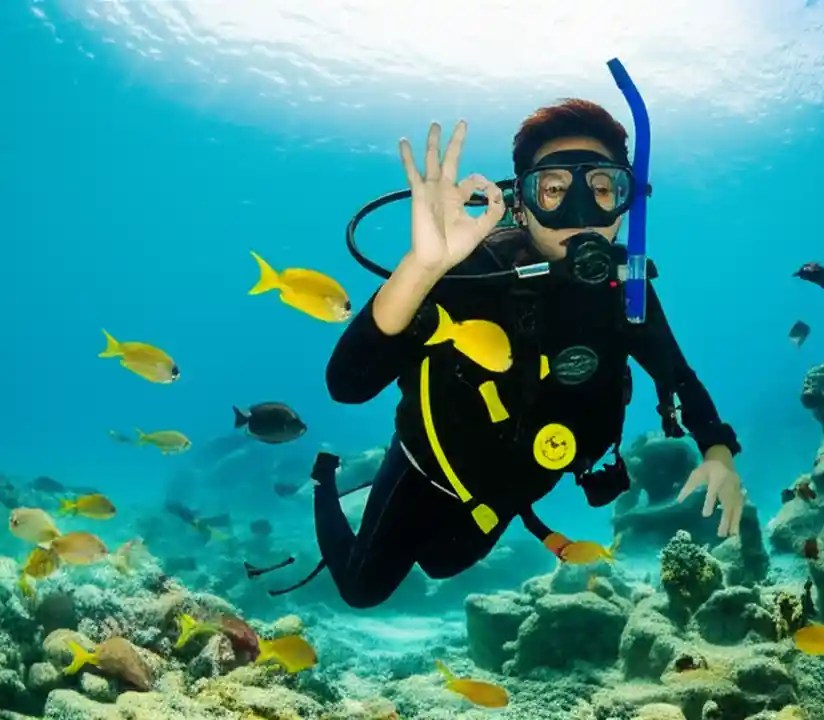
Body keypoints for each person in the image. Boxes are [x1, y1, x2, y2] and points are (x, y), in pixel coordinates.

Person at [314, 100, 744, 609]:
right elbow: (348, 384)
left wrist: (718, 453)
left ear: (627, 200)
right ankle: (325, 478)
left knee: (442, 563)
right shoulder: (475, 272)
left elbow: (679, 376)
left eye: (603, 189)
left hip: (515, 483)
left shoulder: (624, 290)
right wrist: (422, 269)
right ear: (521, 203)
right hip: (431, 466)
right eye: (555, 190)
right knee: (363, 588)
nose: (580, 213)